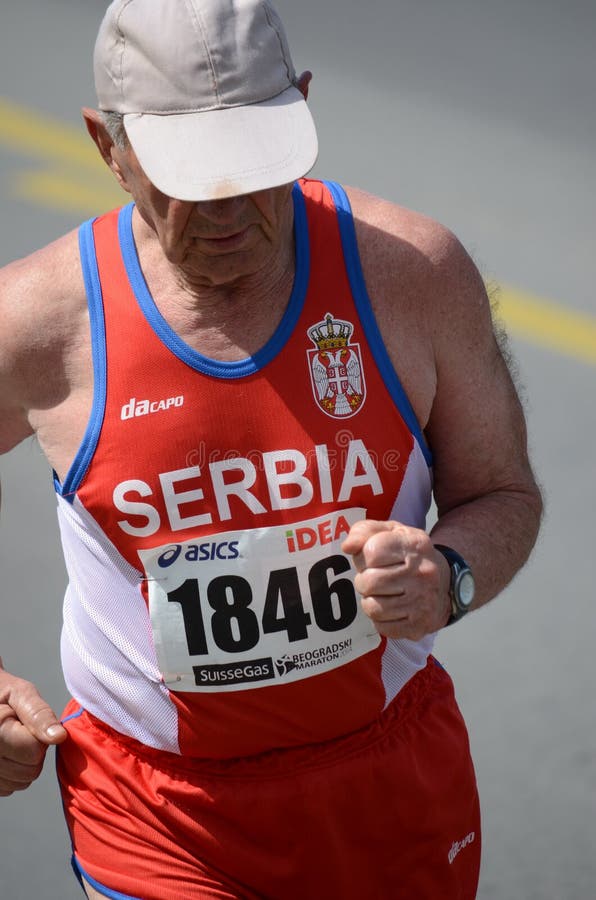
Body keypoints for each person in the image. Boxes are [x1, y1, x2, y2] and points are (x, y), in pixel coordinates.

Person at [0, 0, 542, 897]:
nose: (225, 210)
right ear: (108, 146)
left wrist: (451, 574)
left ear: (302, 104)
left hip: (388, 786)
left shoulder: (414, 273)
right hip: (157, 813)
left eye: (254, 168)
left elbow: (504, 494)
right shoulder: (37, 323)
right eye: (185, 177)